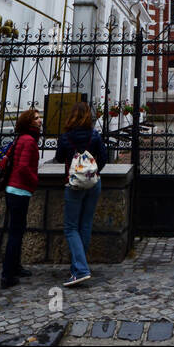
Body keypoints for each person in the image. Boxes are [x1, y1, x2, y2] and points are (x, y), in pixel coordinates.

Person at [55, 101, 107, 287]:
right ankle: (78, 267)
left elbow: (59, 157)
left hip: (74, 185)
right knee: (85, 225)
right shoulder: (95, 136)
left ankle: (81, 269)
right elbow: (104, 158)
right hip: (94, 184)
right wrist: (91, 173)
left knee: (70, 228)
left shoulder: (66, 137)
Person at [0, 108, 42, 289]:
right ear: (28, 123)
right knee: (16, 233)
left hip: (14, 189)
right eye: (36, 118)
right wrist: (35, 181)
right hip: (19, 190)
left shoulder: (22, 139)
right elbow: (24, 167)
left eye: (39, 117)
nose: (40, 120)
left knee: (18, 229)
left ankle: (15, 267)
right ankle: (7, 275)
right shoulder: (29, 141)